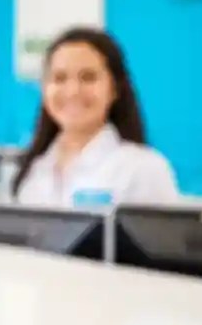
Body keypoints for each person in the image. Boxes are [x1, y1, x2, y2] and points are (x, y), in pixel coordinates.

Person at [13, 27, 178, 208]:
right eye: (59, 78)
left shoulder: (144, 169)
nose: (73, 91)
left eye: (88, 77)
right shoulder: (33, 170)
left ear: (114, 89)